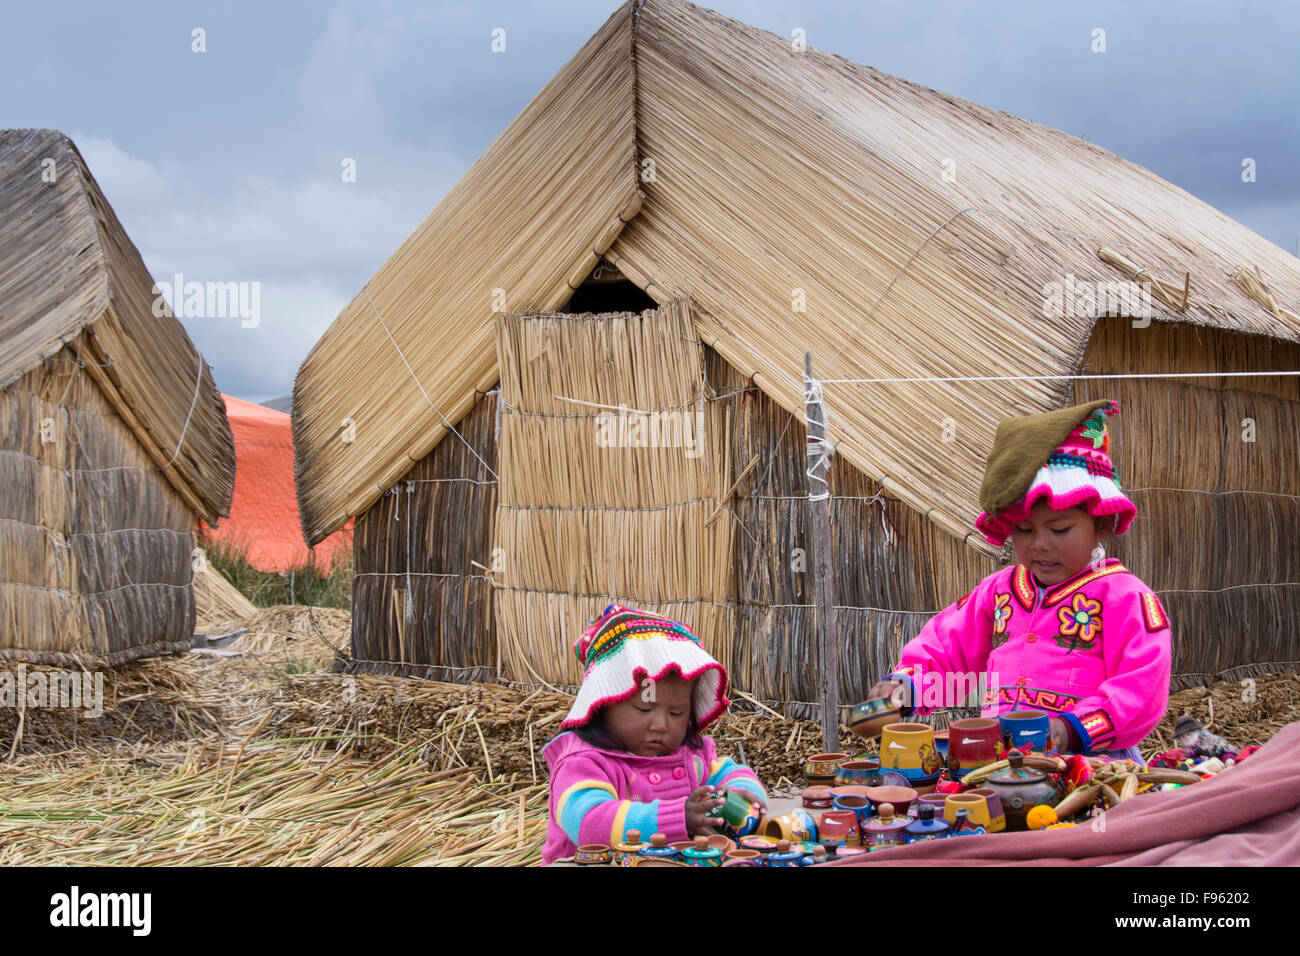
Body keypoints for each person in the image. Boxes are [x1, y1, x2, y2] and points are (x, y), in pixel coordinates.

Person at [866, 400, 1171, 759]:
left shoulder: (1123, 597)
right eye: (1024, 530)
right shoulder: (999, 593)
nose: (1040, 544)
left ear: (1102, 523)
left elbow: (1141, 686)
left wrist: (1071, 729)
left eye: (1059, 529)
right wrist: (906, 687)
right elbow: (948, 650)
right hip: (999, 765)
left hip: (1091, 767)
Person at [541, 604, 767, 865]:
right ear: (604, 703)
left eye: (676, 714)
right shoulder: (583, 764)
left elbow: (732, 772)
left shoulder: (693, 756)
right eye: (643, 708)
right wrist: (678, 819)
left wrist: (740, 795)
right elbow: (591, 824)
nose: (660, 725)